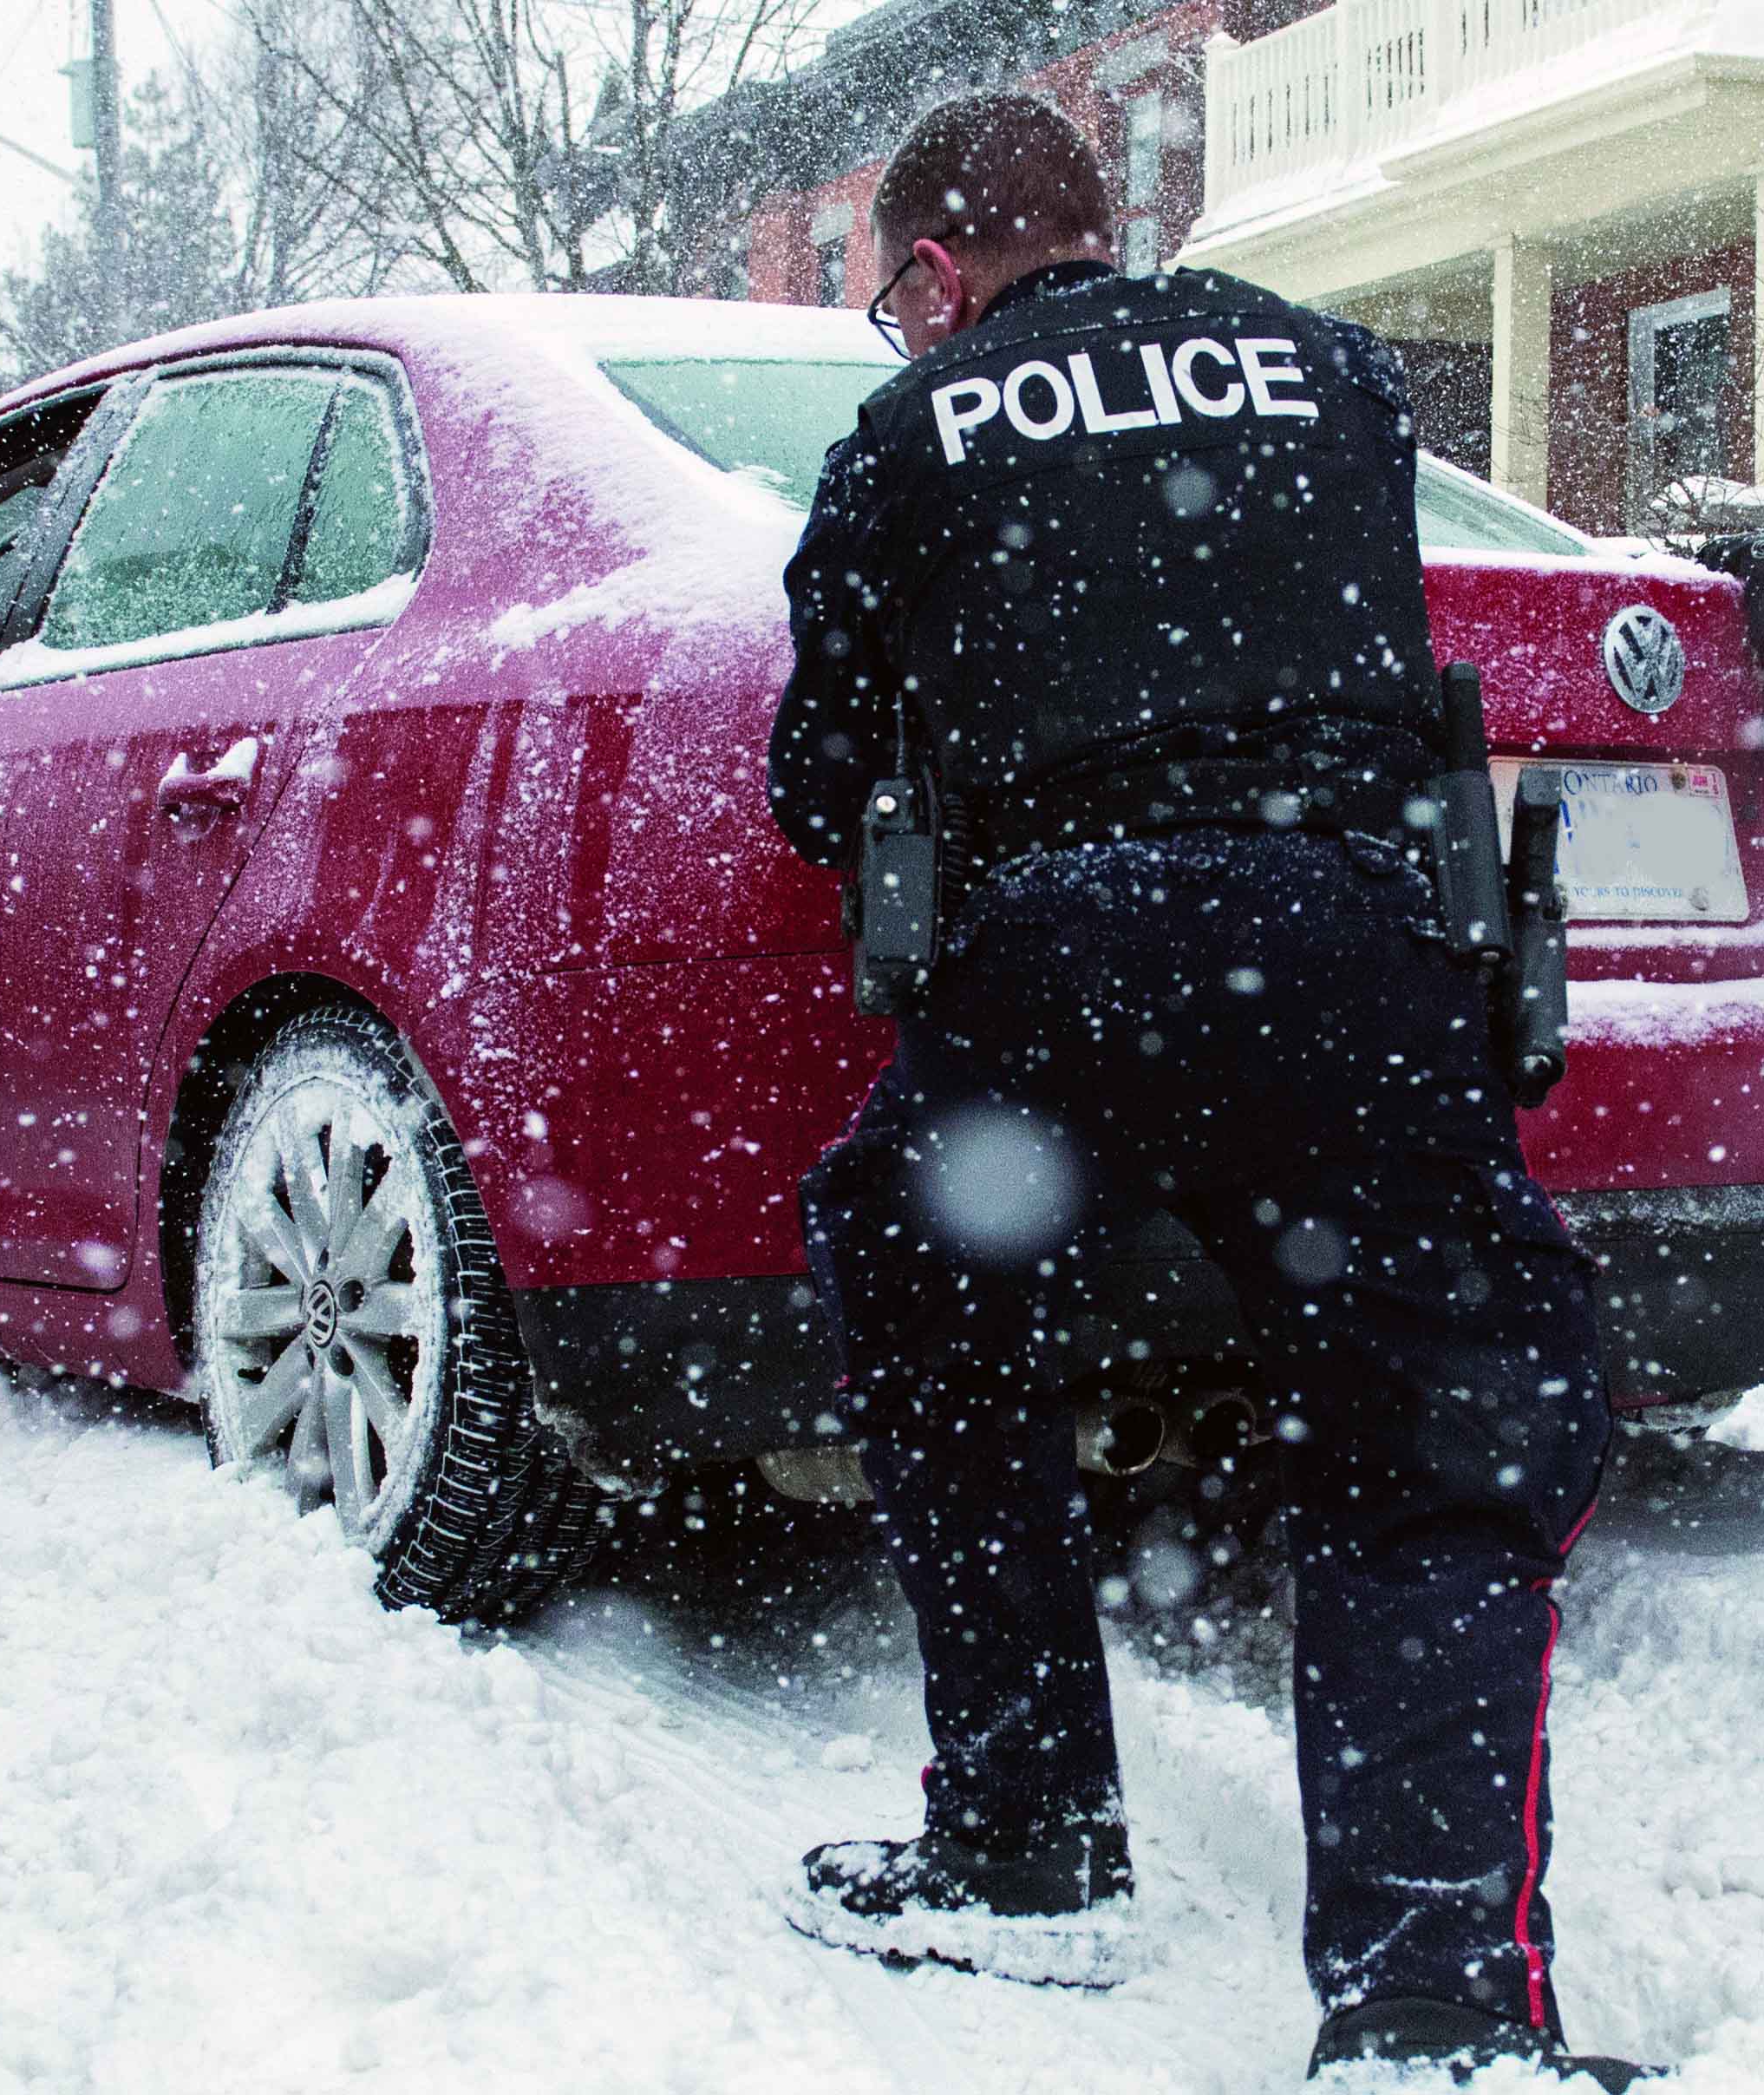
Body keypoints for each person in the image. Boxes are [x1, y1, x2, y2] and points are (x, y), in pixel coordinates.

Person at [768, 90, 1656, 2090]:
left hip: (1053, 977)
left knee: (917, 1283)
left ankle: (1022, 1837)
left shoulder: (906, 438)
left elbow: (811, 781)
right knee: (1431, 1415)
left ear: (927, 272)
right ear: (1104, 224)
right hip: (1343, 946)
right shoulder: (1328, 369)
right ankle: (1431, 2013)